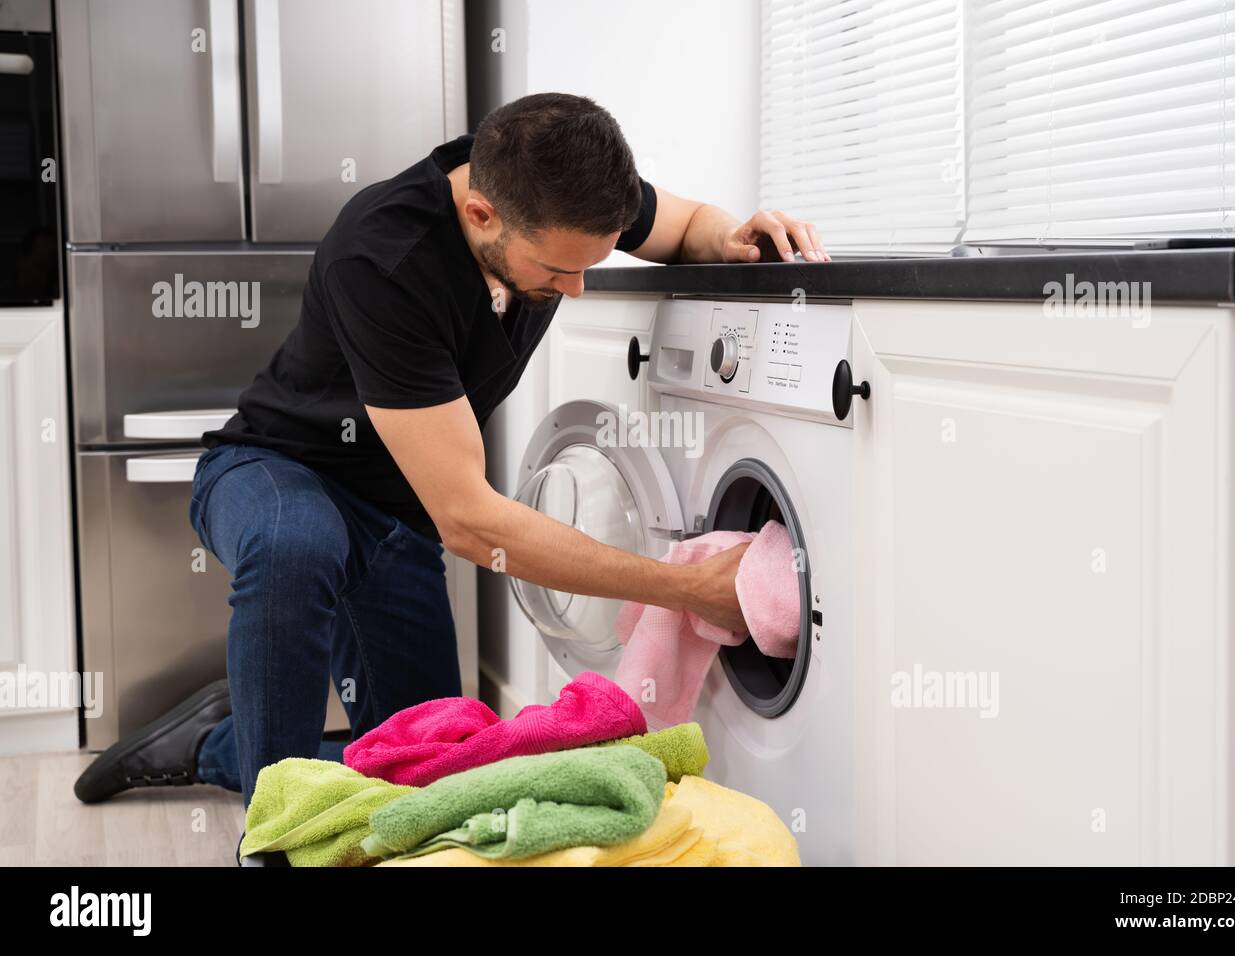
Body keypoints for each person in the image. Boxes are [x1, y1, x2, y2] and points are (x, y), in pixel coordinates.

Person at [73, 92, 829, 821]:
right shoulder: (382, 256)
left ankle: (213, 744)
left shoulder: (559, 179)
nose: (578, 289)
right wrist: (684, 587)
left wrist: (732, 236)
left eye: (590, 263)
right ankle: (271, 836)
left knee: (432, 773)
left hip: (395, 512)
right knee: (297, 542)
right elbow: (470, 522)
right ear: (479, 215)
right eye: (557, 270)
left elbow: (688, 222)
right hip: (276, 470)